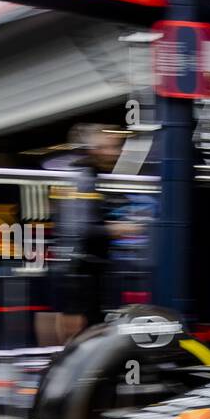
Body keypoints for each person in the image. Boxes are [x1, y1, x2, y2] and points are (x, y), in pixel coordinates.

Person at [50, 124, 138, 342]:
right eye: (107, 148)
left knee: (91, 333)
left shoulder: (95, 177)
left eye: (115, 147)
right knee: (80, 337)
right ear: (92, 149)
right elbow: (79, 229)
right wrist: (117, 228)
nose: (114, 153)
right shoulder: (82, 178)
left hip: (89, 269)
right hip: (78, 271)